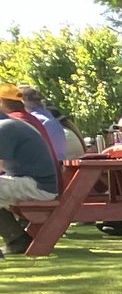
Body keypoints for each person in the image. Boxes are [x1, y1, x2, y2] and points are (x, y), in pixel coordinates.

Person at [0, 87, 60, 254]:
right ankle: (16, 238)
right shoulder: (14, 122)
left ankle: (17, 239)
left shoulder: (5, 127)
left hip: (39, 187)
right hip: (38, 184)